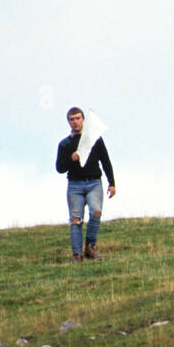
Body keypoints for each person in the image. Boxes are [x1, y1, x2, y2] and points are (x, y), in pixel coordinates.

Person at [55, 107, 116, 261]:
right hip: (75, 185)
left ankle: (90, 247)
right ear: (68, 121)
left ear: (83, 120)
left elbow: (105, 161)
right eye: (72, 119)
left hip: (94, 183)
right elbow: (59, 168)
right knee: (75, 220)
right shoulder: (64, 144)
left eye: (78, 118)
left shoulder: (94, 139)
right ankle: (77, 255)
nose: (75, 122)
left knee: (96, 212)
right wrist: (71, 159)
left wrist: (112, 183)